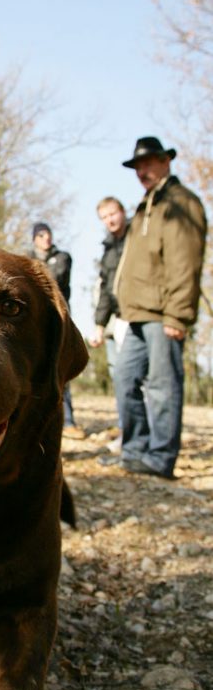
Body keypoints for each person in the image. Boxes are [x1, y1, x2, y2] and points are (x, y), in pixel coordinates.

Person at [114, 136, 207, 479]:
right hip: (135, 312)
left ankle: (161, 457)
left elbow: (186, 263)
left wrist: (178, 315)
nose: (142, 170)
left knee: (163, 386)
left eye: (149, 162)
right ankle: (134, 451)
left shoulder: (181, 202)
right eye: (138, 165)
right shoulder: (145, 204)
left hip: (163, 314)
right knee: (124, 379)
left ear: (166, 161)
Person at [30, 222, 85, 440]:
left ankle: (68, 421)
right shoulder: (26, 257)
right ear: (34, 238)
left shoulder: (62, 257)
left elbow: (54, 278)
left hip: (56, 321)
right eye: (41, 235)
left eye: (48, 234)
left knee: (60, 372)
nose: (46, 238)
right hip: (33, 324)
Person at [89, 197, 129, 449]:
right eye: (104, 217)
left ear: (123, 212)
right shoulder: (108, 247)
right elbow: (106, 288)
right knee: (121, 378)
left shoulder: (136, 238)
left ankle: (150, 441)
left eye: (113, 214)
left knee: (138, 380)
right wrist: (99, 325)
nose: (110, 220)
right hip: (117, 320)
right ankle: (129, 434)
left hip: (136, 315)